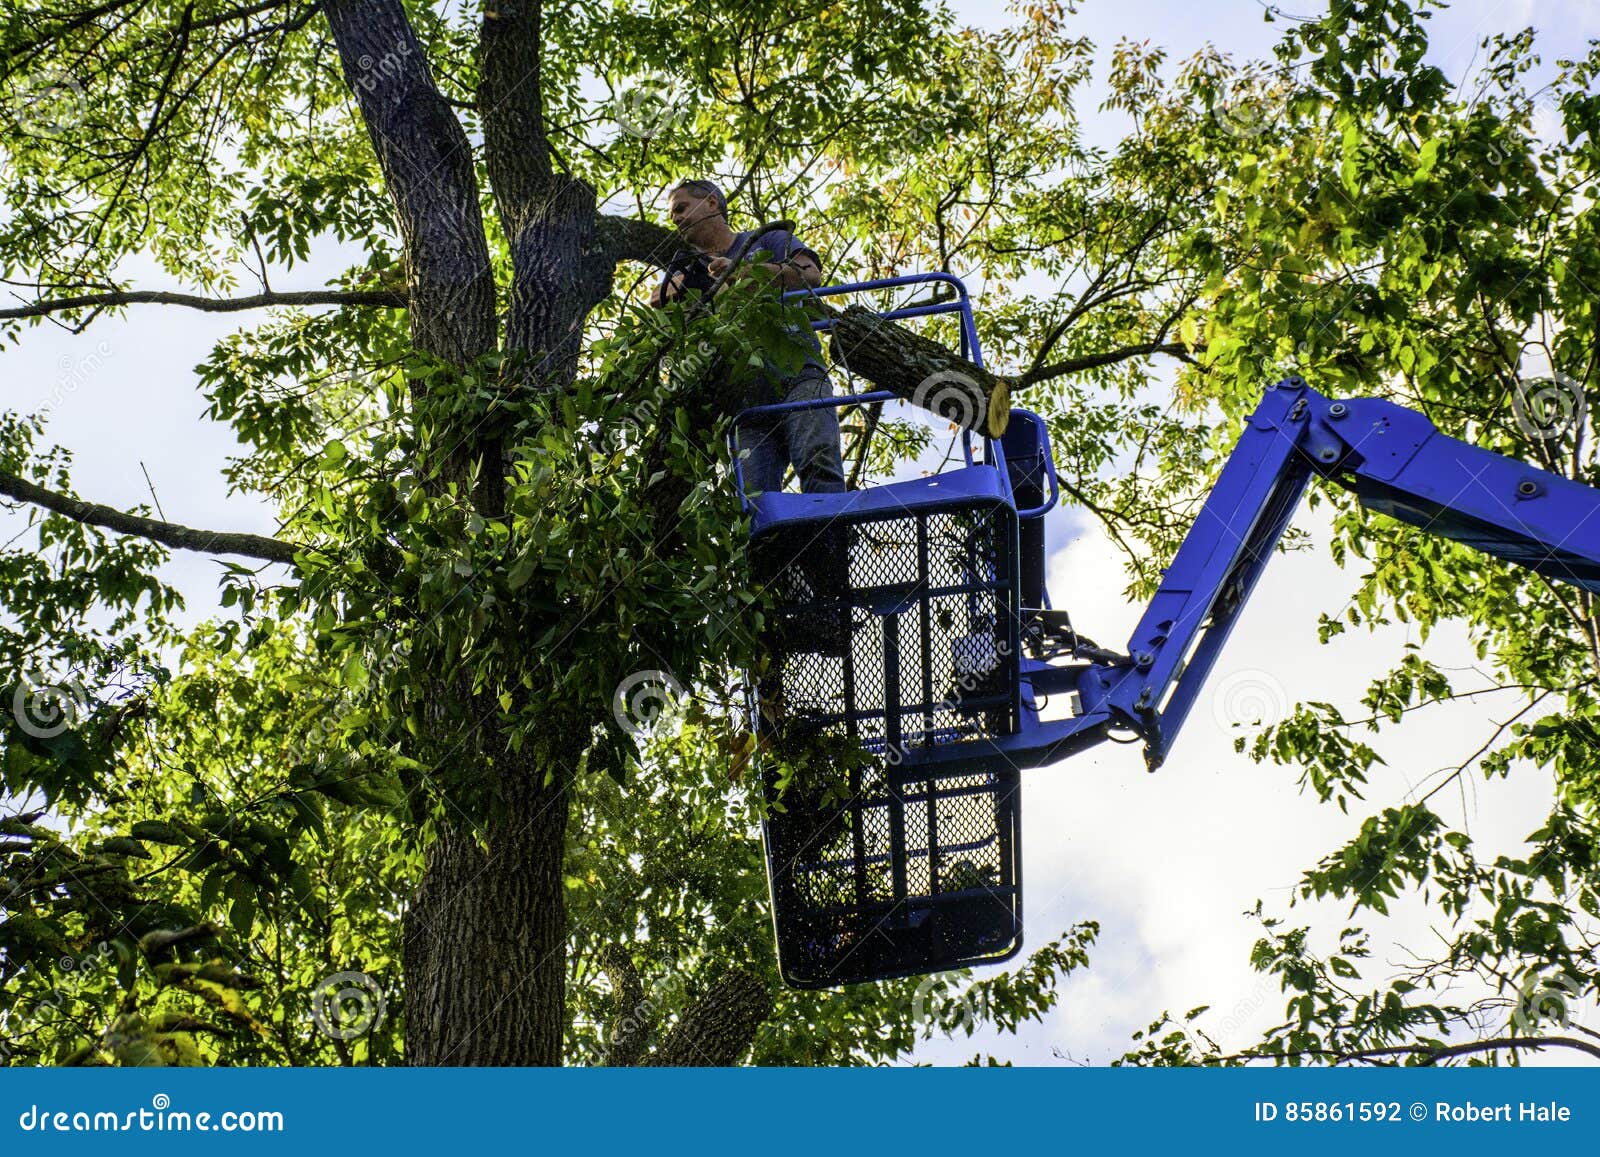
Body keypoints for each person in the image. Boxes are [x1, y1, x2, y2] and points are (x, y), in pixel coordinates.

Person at [650, 179, 846, 496]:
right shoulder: (688, 267)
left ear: (712, 203)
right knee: (755, 503)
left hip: (798, 377)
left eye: (682, 208)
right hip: (744, 403)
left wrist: (743, 272)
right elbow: (659, 304)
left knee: (819, 466)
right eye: (673, 216)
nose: (676, 220)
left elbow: (809, 275)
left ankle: (829, 544)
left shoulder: (768, 240)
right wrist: (686, 287)